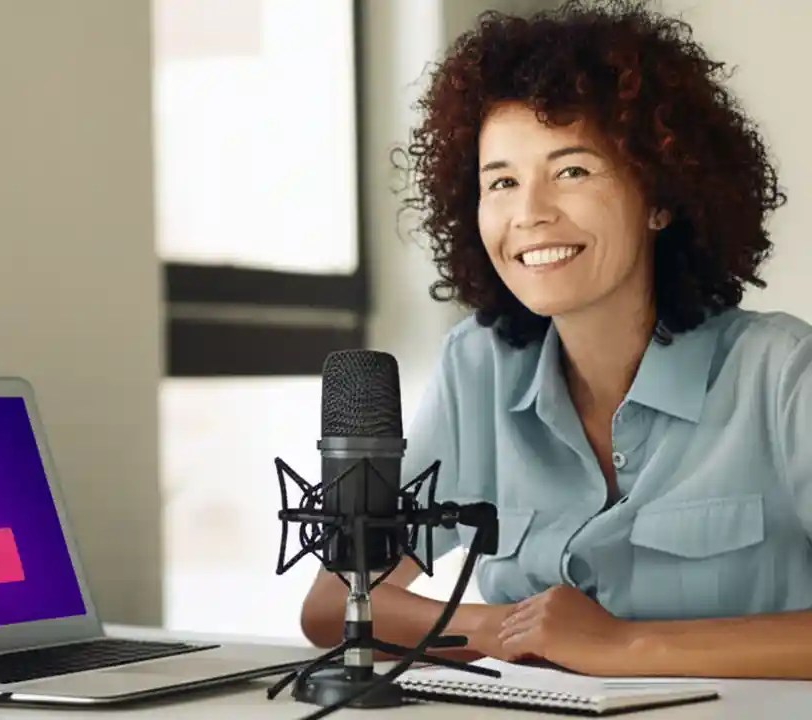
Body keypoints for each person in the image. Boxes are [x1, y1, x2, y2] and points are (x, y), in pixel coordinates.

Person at [301, 0, 812, 679]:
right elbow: (335, 602)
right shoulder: (477, 368)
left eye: (572, 171)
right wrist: (501, 629)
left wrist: (621, 646)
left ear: (661, 198)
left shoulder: (781, 374)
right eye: (502, 182)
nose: (531, 213)